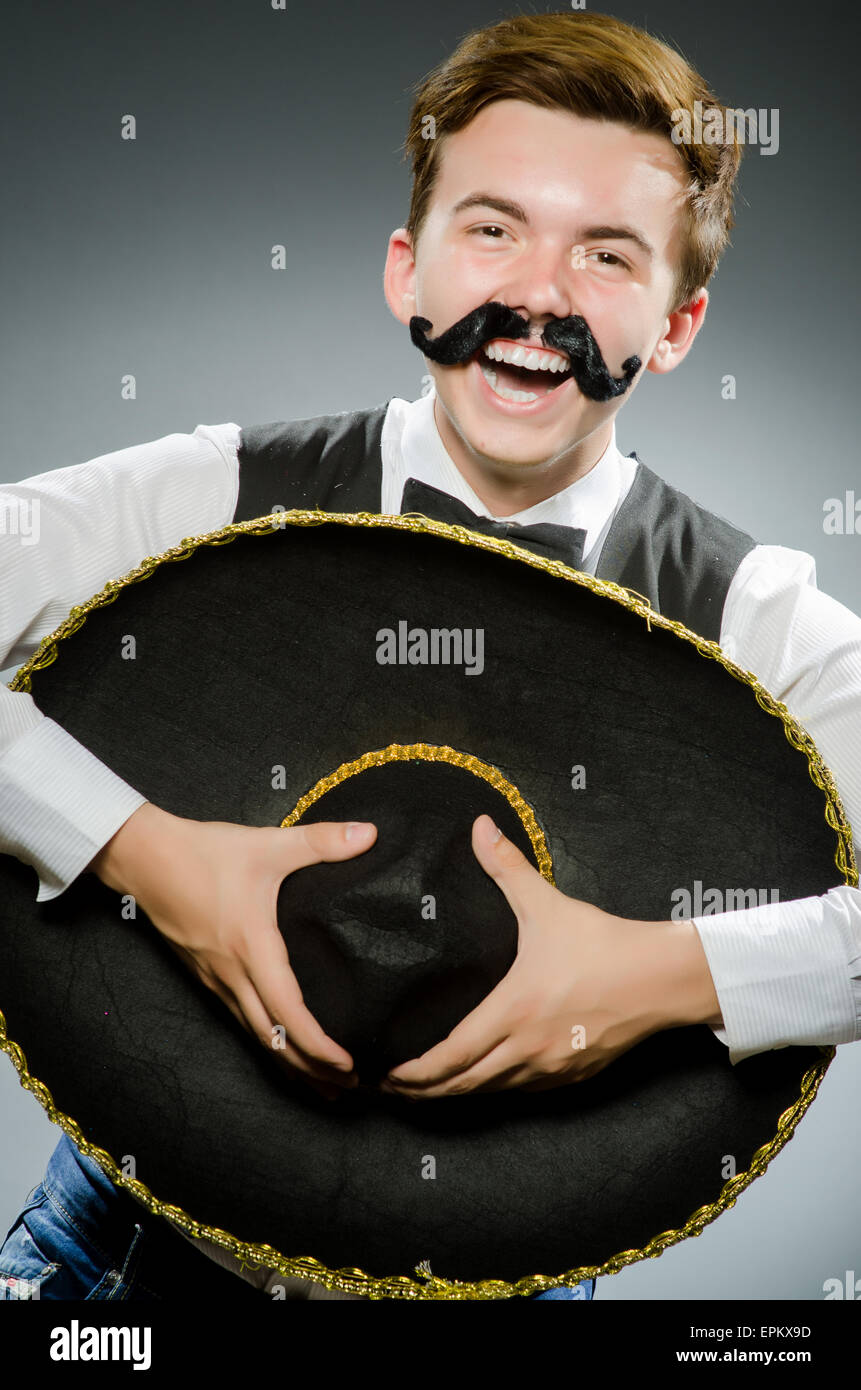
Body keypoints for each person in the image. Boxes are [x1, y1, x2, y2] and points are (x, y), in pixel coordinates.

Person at [1, 10, 859, 1302]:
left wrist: (671, 974)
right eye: (492, 228)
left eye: (607, 255)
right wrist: (137, 847)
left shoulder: (753, 615)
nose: (538, 294)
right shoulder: (213, 486)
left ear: (676, 323)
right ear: (408, 270)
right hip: (111, 1274)